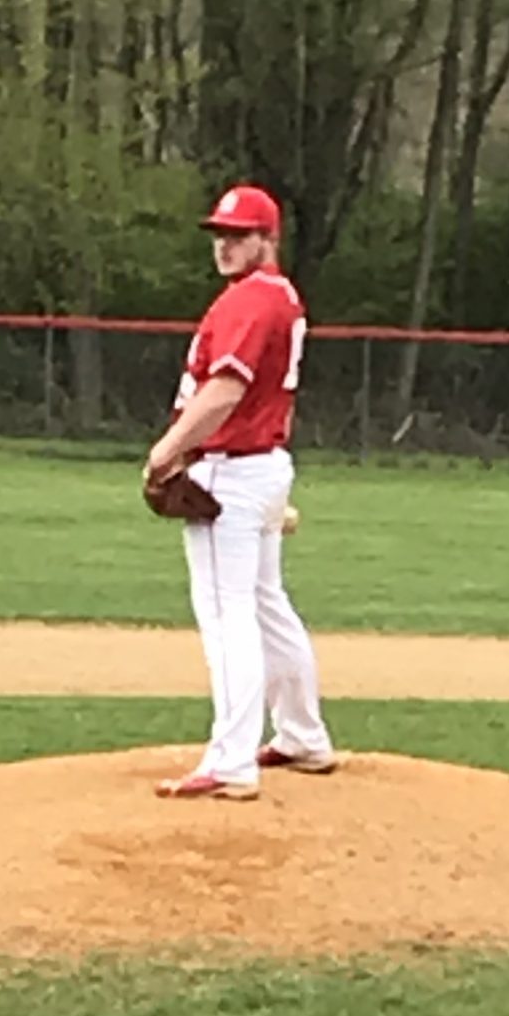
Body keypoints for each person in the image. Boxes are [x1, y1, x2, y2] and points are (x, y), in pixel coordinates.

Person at [142, 183, 336, 799]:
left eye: (239, 235)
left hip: (232, 468)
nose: (224, 246)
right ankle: (303, 735)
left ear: (267, 239)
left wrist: (164, 454)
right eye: (219, 235)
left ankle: (230, 762)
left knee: (228, 617)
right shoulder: (281, 298)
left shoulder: (251, 301)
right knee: (266, 603)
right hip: (263, 465)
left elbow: (224, 391)